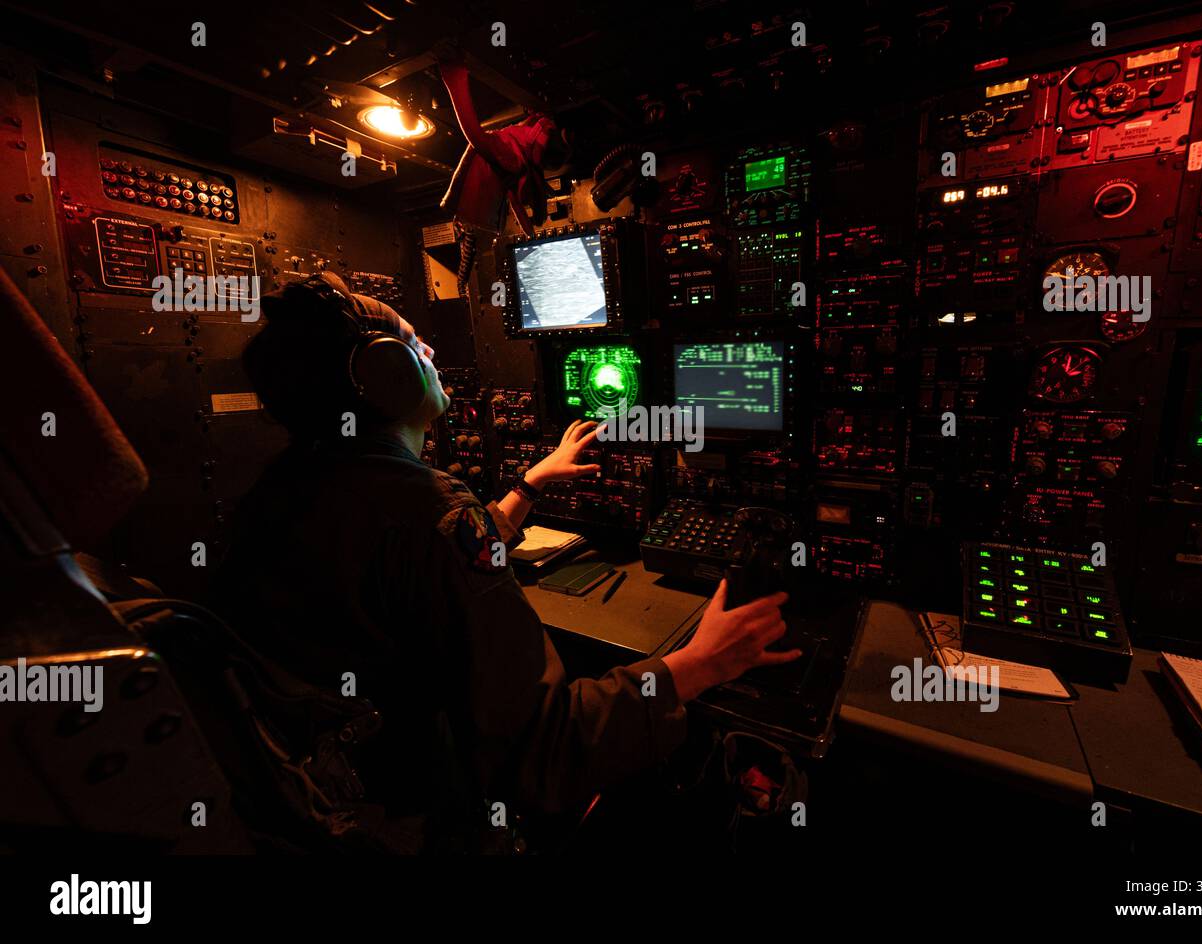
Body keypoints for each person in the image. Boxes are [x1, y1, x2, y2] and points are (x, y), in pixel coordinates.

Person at [213, 271, 797, 851]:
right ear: (387, 376)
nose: (432, 350)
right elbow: (544, 747)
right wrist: (699, 663)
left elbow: (406, 563)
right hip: (425, 822)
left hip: (335, 802)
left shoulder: (274, 494)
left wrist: (529, 486)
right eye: (416, 343)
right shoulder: (426, 511)